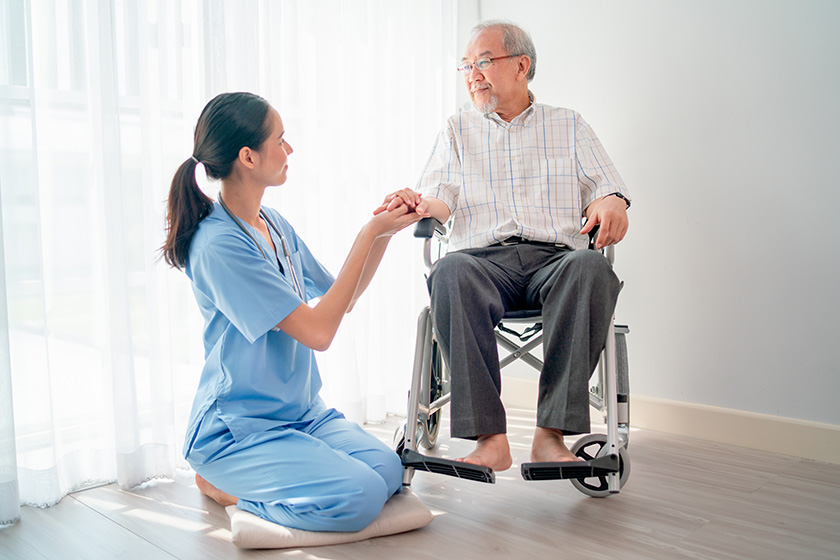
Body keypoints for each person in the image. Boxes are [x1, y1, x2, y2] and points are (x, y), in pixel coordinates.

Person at [377, 21, 630, 472]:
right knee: (449, 270)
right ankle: (490, 440)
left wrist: (611, 201)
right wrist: (417, 204)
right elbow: (439, 197)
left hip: (556, 262)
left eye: (482, 62)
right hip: (481, 264)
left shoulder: (569, 124)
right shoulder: (457, 130)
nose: (472, 74)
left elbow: (605, 187)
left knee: (591, 266)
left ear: (521, 65)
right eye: (466, 66)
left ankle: (550, 437)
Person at [161, 92, 421, 532]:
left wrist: (385, 232)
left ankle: (281, 475)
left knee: (388, 472)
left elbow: (342, 298)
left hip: (301, 414)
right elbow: (319, 334)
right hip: (239, 429)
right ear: (248, 157)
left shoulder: (274, 224)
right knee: (358, 496)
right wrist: (368, 232)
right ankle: (224, 487)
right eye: (281, 140)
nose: (290, 149)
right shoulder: (218, 246)